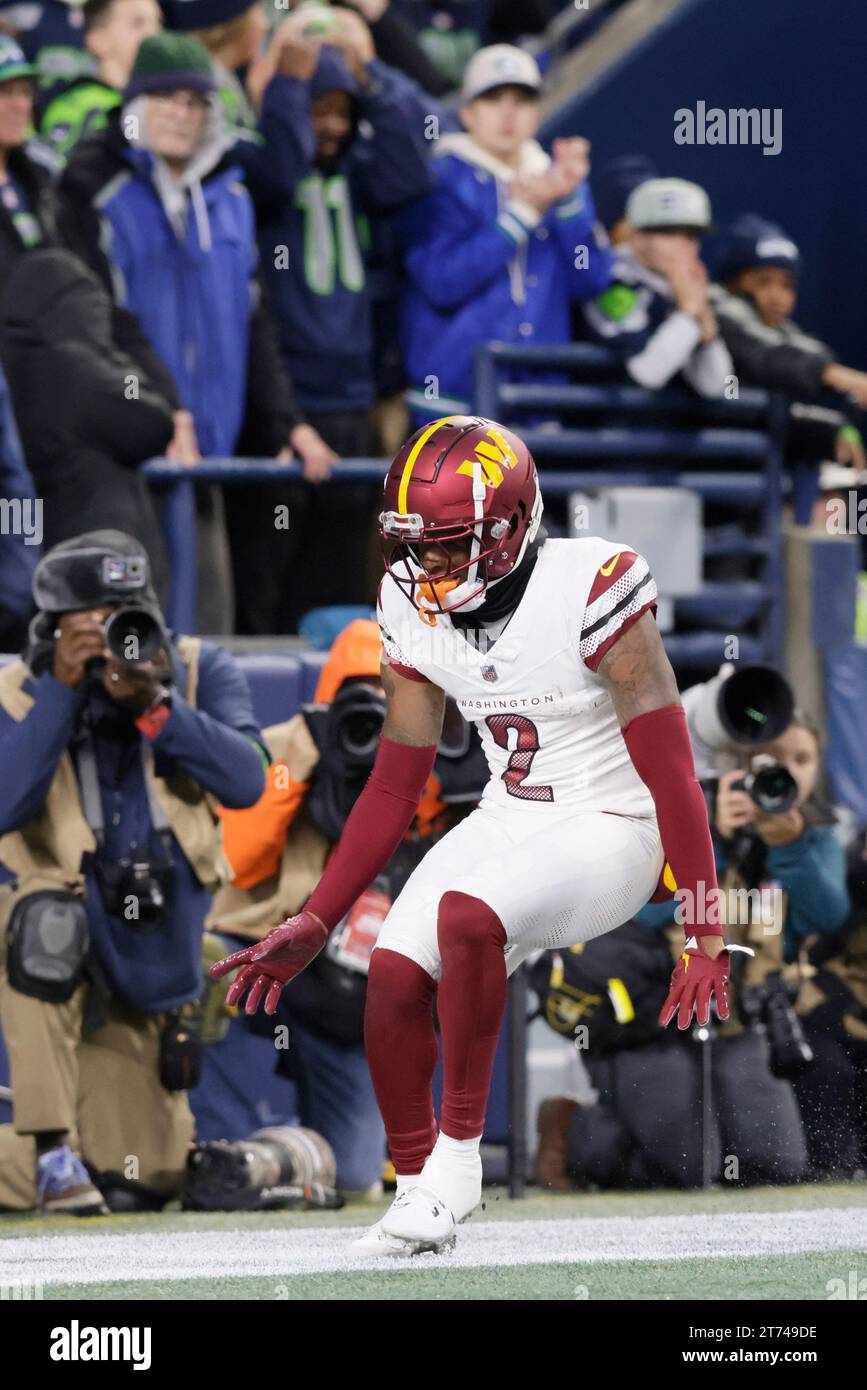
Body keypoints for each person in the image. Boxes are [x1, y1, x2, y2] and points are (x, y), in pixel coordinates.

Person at [211, 413, 732, 1256]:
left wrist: (704, 927)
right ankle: (419, 1199)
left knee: (464, 913)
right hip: (511, 813)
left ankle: (458, 1169)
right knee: (386, 971)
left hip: (616, 825)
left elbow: (674, 775)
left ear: (510, 527)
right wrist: (315, 918)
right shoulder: (407, 604)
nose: (430, 565)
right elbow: (394, 780)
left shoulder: (593, 586)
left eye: (451, 544)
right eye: (418, 544)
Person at [0, 530, 266, 1214]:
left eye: (125, 614)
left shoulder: (200, 672)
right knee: (44, 920)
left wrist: (157, 708)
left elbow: (248, 782)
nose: (113, 635)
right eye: (92, 621)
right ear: (53, 627)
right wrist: (63, 689)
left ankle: (55, 1165)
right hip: (54, 953)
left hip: (152, 965)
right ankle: (55, 1147)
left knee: (138, 1179)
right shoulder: (18, 689)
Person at [57, 31, 334, 631]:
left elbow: (253, 323)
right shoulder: (93, 192)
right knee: (131, 640)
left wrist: (289, 422)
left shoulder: (232, 197)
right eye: (166, 100)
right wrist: (159, 408)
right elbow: (97, 323)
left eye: (195, 102)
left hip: (207, 464)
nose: (182, 115)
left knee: (206, 639)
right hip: (125, 463)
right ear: (136, 106)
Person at [229, 22, 433, 634]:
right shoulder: (259, 171)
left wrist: (370, 80)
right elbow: (281, 172)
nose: (332, 126)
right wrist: (290, 87)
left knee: (339, 574)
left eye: (342, 113)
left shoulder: (361, 175)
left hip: (351, 403)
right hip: (284, 406)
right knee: (266, 572)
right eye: (319, 111)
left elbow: (411, 171)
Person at [397, 43, 612, 423]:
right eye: (494, 98)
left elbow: (591, 282)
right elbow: (441, 281)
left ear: (536, 113)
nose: (509, 112)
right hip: (453, 398)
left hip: (537, 398)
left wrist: (567, 203)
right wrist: (522, 215)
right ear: (468, 112)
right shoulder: (439, 177)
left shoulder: (559, 181)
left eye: (522, 99)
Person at [0, 248, 175, 604]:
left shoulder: (9, 365)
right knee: (119, 653)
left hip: (32, 559)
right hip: (99, 561)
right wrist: (114, 358)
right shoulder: (75, 367)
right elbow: (154, 422)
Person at [709, 214, 866, 520]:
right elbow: (767, 356)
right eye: (763, 281)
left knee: (832, 491)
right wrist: (838, 376)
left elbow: (810, 354)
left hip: (756, 479)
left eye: (787, 285)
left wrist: (837, 428)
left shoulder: (787, 334)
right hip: (708, 476)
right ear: (735, 280)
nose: (777, 296)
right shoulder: (716, 306)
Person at [582, 176, 733, 397]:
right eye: (669, 233)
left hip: (666, 427)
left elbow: (716, 386)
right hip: (604, 425)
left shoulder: (682, 287)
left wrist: (707, 332)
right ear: (636, 236)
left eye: (691, 236)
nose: (683, 245)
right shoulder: (610, 282)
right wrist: (689, 313)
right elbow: (646, 374)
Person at [37, 0, 163, 156]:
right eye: (137, 23)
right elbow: (54, 175)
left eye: (158, 22)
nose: (155, 34)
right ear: (98, 41)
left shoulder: (163, 105)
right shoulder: (78, 108)